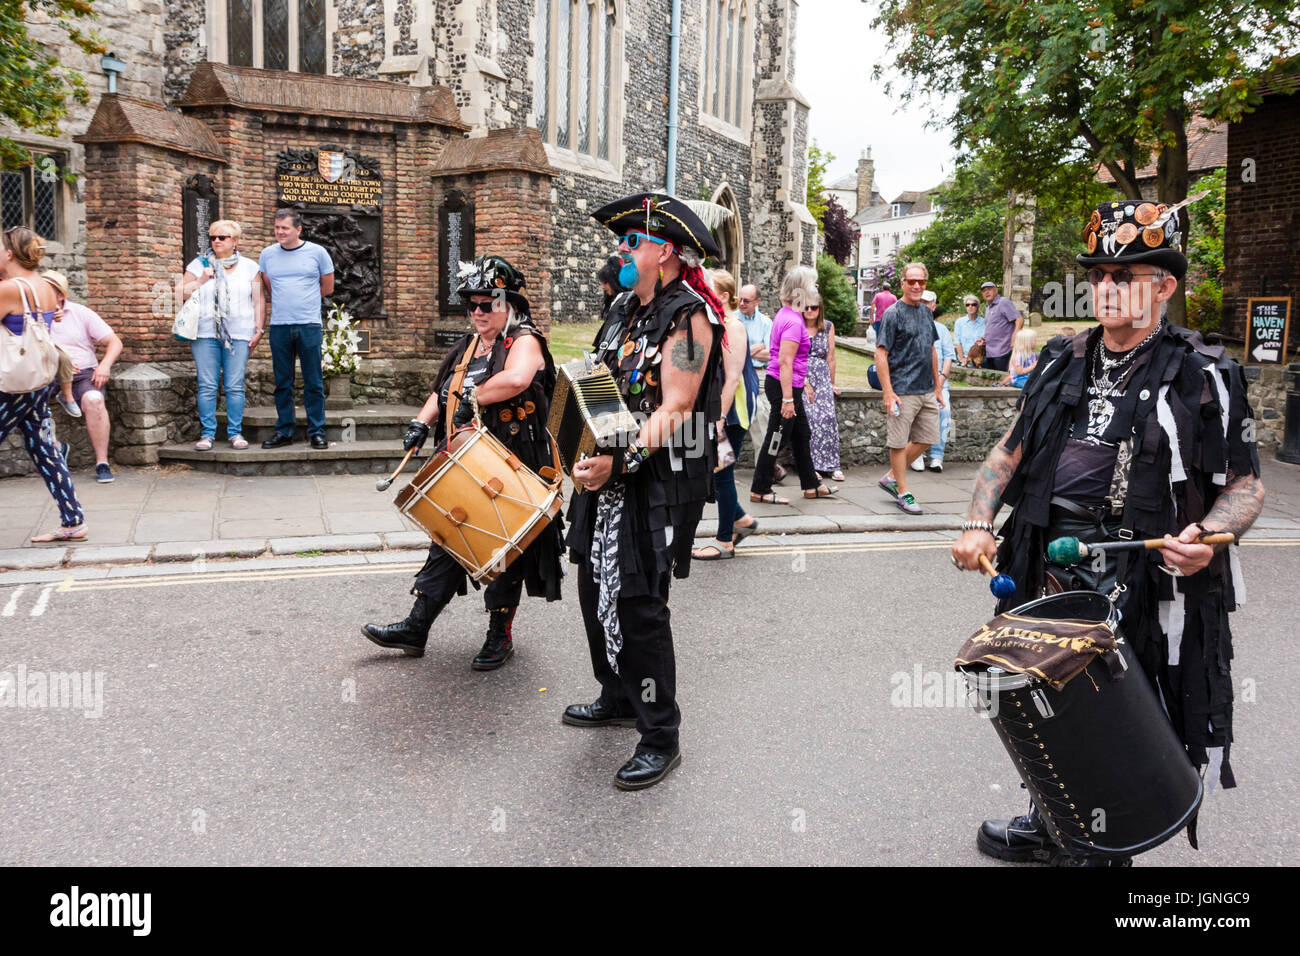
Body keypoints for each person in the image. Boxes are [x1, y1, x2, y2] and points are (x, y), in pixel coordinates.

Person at [952, 198, 1264, 867]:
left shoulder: (1204, 372)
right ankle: (1053, 821)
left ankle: (1100, 846)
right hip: (1046, 561)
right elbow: (1009, 450)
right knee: (1043, 698)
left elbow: (1246, 485)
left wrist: (1206, 536)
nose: (1106, 287)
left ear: (1166, 286)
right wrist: (979, 521)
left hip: (1139, 572)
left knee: (1112, 717)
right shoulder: (1063, 359)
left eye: (1125, 275)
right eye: (1098, 275)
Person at [564, 192, 724, 791]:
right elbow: (600, 385)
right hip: (604, 471)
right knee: (593, 585)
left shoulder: (690, 318)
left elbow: (678, 406)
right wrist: (579, 441)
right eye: (622, 241)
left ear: (667, 251)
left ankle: (661, 736)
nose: (622, 251)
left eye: (633, 242)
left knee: (638, 603)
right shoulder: (624, 308)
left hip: (655, 479)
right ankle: (618, 695)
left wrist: (620, 462)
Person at [362, 256, 562, 670]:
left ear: (510, 304)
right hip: (466, 458)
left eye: (486, 304)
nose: (477, 312)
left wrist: (473, 399)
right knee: (450, 537)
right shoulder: (470, 345)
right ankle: (417, 627)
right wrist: (420, 424)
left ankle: (498, 636)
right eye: (471, 305)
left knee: (504, 551)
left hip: (513, 462)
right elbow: (445, 390)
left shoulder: (524, 340)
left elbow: (517, 380)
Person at [0, 227, 86, 541]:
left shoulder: (10, 289)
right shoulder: (45, 286)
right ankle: (73, 521)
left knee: (46, 450)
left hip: (12, 385)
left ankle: (74, 521)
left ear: (9, 254)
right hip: (38, 381)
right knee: (45, 451)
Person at [749, 265, 837, 505]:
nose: (816, 289)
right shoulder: (794, 323)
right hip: (782, 387)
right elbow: (785, 362)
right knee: (776, 437)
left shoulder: (787, 315)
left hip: (788, 385)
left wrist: (803, 384)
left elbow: (792, 362)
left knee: (801, 435)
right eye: (813, 285)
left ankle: (811, 485)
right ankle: (760, 488)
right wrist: (788, 399)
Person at [692, 268, 760, 561]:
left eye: (707, 288)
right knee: (715, 470)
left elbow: (732, 378)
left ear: (722, 295)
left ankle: (725, 542)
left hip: (732, 411)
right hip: (718, 409)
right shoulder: (717, 322)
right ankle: (742, 521)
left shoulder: (733, 326)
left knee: (722, 473)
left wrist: (719, 418)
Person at [182, 220, 264, 451]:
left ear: (235, 241)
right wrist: (201, 280)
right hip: (205, 333)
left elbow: (258, 299)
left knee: (235, 385)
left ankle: (235, 433)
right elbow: (180, 293)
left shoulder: (250, 267)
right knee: (207, 385)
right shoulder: (199, 264)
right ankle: (207, 434)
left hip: (239, 333)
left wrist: (259, 329)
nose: (216, 241)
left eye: (222, 237)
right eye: (213, 237)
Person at [258, 208, 335, 450]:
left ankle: (317, 431)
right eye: (277, 228)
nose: (279, 232)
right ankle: (284, 431)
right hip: (280, 325)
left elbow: (328, 286)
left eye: (285, 228)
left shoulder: (318, 253)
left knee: (313, 381)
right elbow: (269, 286)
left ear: (298, 229)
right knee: (282, 381)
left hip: (309, 324)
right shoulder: (267, 254)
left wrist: (305, 301)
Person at [875, 262, 944, 514]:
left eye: (921, 282)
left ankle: (892, 476)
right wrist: (888, 391)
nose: (917, 286)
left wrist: (937, 386)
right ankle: (902, 492)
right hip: (902, 389)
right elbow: (880, 354)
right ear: (902, 283)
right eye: (911, 281)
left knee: (927, 438)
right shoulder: (893, 313)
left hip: (926, 389)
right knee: (898, 442)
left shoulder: (926, 313)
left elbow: (932, 349)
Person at [41, 270, 123, 482]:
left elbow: (114, 342)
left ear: (61, 295)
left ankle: (102, 463)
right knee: (29, 403)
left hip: (84, 374)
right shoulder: (32, 316)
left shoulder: (80, 313)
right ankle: (58, 448)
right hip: (47, 374)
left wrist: (104, 366)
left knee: (94, 400)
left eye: (47, 290)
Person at [737, 282, 782, 482]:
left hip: (759, 375)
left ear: (758, 301)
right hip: (736, 374)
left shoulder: (765, 322)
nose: (741, 303)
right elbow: (731, 352)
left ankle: (764, 470)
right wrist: (755, 348)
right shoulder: (732, 320)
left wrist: (744, 350)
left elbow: (772, 354)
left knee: (762, 419)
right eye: (739, 299)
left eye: (746, 300)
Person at [803, 293, 844, 482]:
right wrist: (803, 382)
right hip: (802, 378)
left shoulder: (827, 326)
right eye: (806, 307)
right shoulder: (797, 326)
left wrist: (831, 383)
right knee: (810, 418)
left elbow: (831, 357)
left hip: (822, 377)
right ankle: (811, 465)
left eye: (814, 307)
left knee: (828, 417)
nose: (810, 310)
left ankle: (832, 464)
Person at [915, 289, 955, 473]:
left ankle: (937, 456)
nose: (924, 305)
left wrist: (940, 379)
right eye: (921, 302)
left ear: (933, 306)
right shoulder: (910, 325)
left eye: (927, 303)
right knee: (914, 413)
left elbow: (948, 357)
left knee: (944, 411)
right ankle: (916, 454)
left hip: (938, 381)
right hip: (915, 381)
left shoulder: (942, 330)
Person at [980, 280, 1023, 372]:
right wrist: (984, 338)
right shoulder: (988, 307)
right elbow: (994, 325)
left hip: (1003, 351)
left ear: (995, 290)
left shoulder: (1003, 302)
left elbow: (1019, 319)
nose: (986, 292)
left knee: (1002, 380)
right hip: (989, 351)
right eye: (984, 291)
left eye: (989, 289)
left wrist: (1015, 337)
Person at [953, 294, 986, 367]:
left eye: (973, 304)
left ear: (977, 306)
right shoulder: (959, 322)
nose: (970, 306)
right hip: (966, 359)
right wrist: (962, 358)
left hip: (981, 360)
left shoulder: (984, 322)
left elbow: (988, 339)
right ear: (965, 307)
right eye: (967, 305)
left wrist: (984, 342)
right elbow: (957, 342)